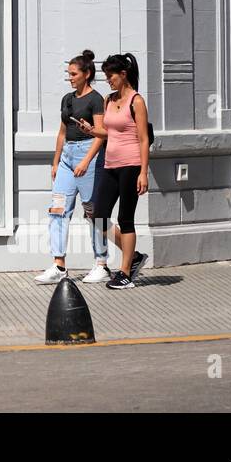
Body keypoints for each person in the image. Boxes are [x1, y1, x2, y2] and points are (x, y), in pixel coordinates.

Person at [35, 50, 109, 284]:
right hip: (67, 156)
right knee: (58, 210)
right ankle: (59, 265)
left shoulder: (96, 99)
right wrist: (56, 161)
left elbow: (101, 134)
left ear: (86, 74)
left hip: (89, 156)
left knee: (93, 212)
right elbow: (62, 132)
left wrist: (86, 161)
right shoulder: (67, 99)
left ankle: (101, 264)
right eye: (68, 74)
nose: (70, 78)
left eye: (74, 74)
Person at [86, 52, 150, 288]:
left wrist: (144, 172)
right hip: (110, 165)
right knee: (98, 215)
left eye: (110, 76)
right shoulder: (108, 100)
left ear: (123, 75)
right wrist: (91, 130)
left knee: (125, 218)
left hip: (131, 166)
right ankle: (133, 257)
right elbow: (108, 132)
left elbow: (143, 139)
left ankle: (125, 273)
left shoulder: (137, 101)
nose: (108, 80)